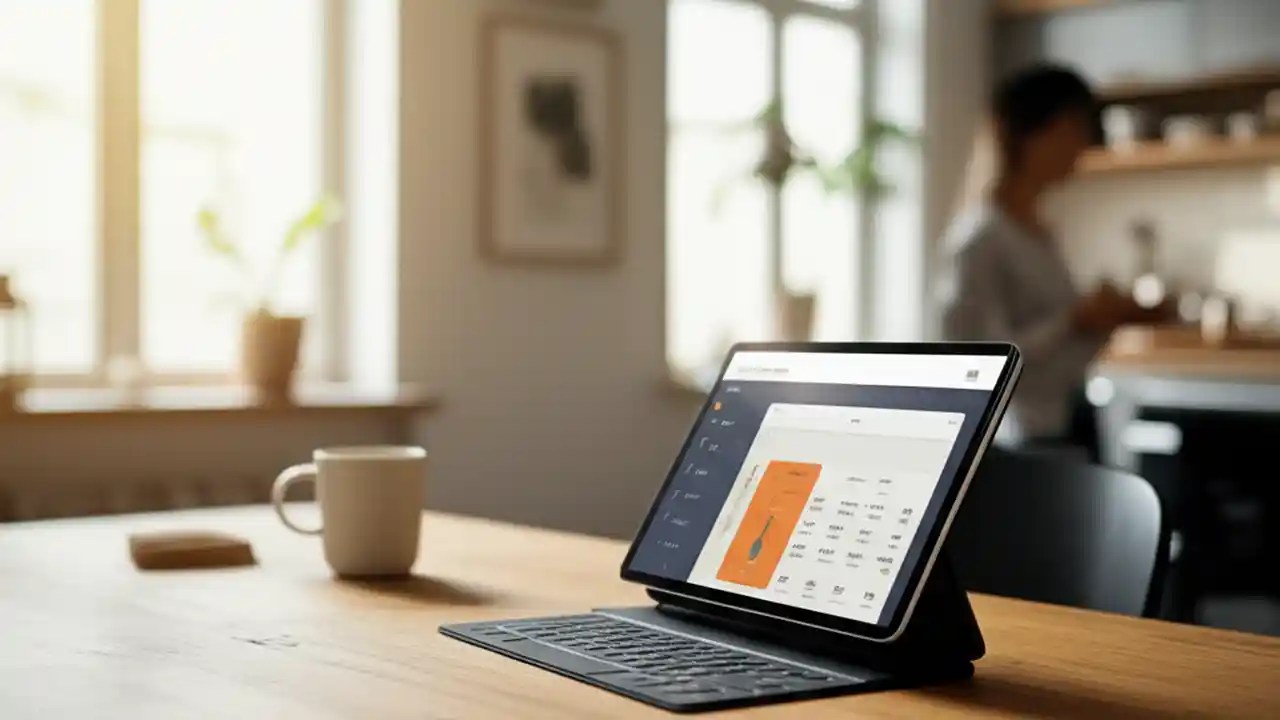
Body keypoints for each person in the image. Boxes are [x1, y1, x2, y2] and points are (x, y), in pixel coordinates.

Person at [939, 64, 1145, 459]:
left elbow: (1060, 356)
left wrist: (1100, 320)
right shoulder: (980, 240)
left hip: (1066, 424)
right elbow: (978, 362)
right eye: (1076, 128)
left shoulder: (1039, 234)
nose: (1084, 144)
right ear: (1034, 134)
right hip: (1016, 440)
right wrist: (1075, 320)